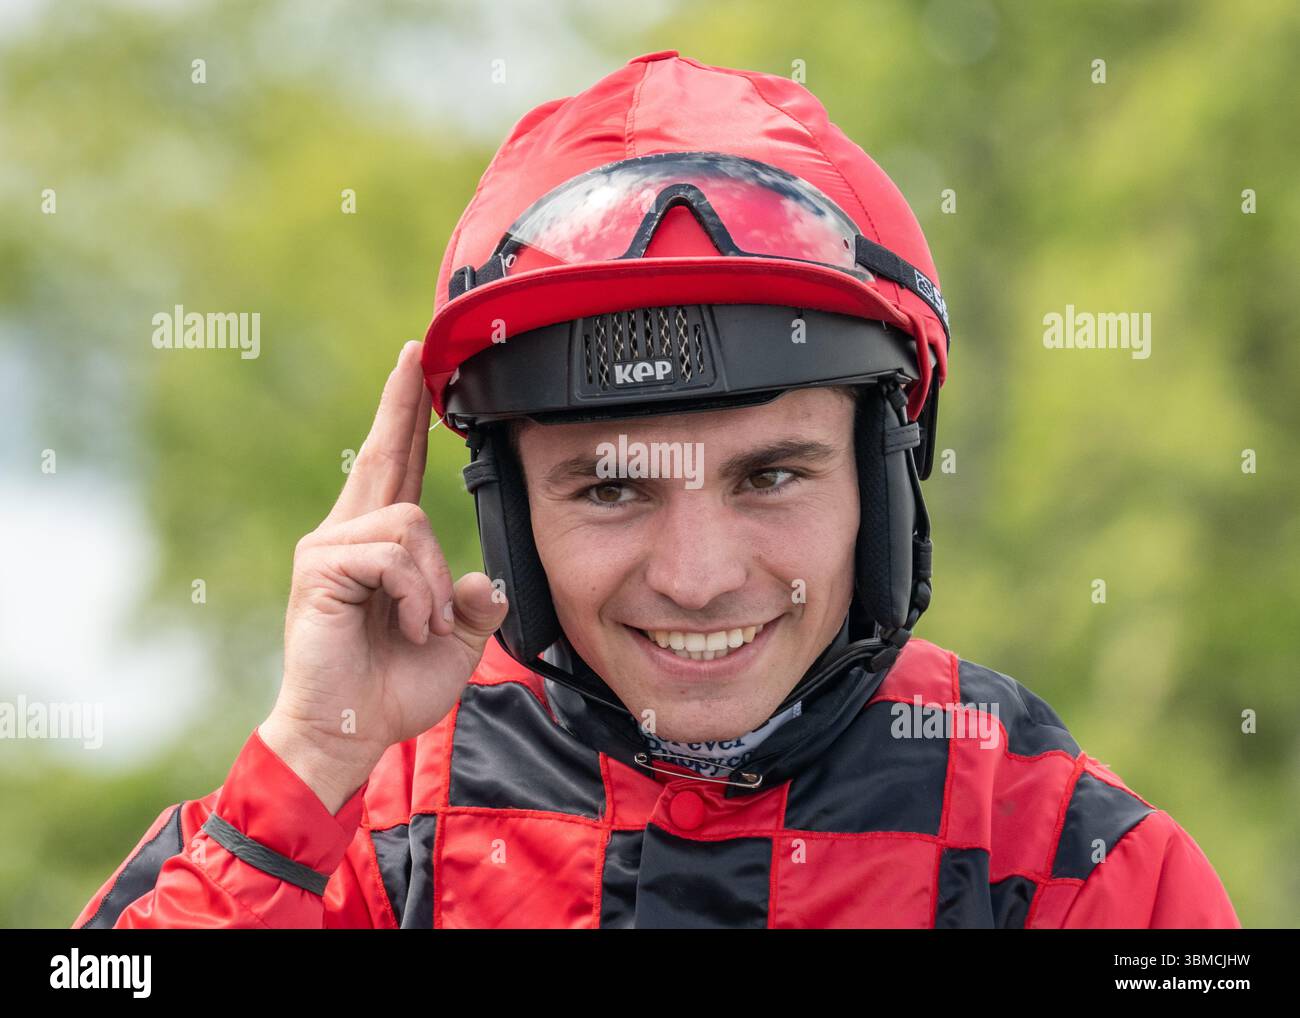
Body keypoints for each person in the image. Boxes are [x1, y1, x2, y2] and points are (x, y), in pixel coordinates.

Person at [74, 51, 1238, 929]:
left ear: (884, 485)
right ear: (509, 517)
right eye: (611, 491)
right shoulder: (370, 829)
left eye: (771, 473)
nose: (696, 575)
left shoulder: (1067, 860)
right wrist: (310, 758)